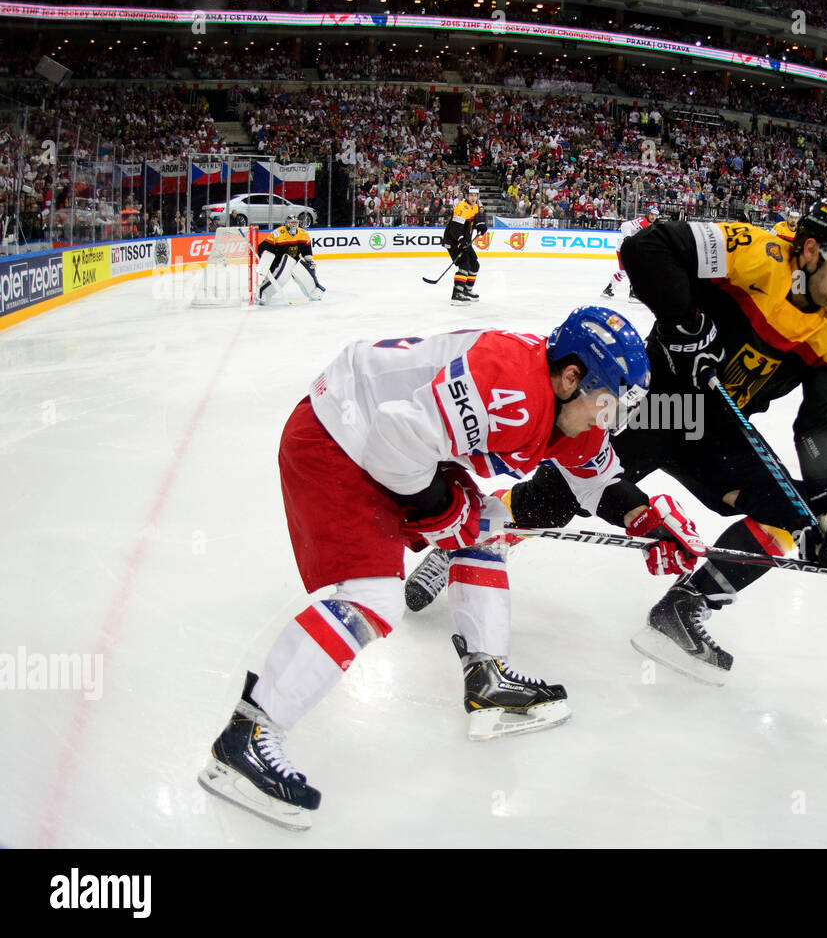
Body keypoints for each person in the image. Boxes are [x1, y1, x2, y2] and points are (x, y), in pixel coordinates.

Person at [199, 307, 706, 829]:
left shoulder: (568, 406)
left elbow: (595, 481)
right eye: (607, 406)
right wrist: (443, 511)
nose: (609, 421)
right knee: (373, 598)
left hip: (387, 440)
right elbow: (393, 439)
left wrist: (645, 519)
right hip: (339, 435)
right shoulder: (510, 384)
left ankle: (486, 679)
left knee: (484, 524)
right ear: (572, 376)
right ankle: (247, 737)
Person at [412, 198, 827, 685]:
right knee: (559, 496)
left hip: (718, 429)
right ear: (809, 250)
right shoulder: (755, 252)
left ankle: (683, 608)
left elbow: (821, 428)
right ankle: (462, 540)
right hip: (652, 402)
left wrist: (826, 496)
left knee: (800, 513)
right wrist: (687, 324)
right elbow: (645, 247)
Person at [256, 215, 324, 304]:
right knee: (280, 278)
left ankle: (313, 291)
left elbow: (306, 250)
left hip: (294, 259)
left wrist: (309, 260)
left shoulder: (303, 233)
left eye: (296, 223)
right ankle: (263, 293)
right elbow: (265, 246)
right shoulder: (278, 232)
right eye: (292, 223)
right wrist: (265, 258)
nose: (294, 225)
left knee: (306, 272)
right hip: (279, 260)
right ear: (287, 223)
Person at [601, 204, 660, 299]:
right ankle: (633, 294)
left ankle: (608, 290)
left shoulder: (650, 225)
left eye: (655, 215)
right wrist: (627, 238)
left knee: (623, 271)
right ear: (647, 214)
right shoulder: (643, 221)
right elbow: (624, 225)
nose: (653, 217)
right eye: (652, 214)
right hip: (626, 250)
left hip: (627, 250)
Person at [444, 185, 488, 306]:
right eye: (471, 195)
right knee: (464, 264)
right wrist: (461, 240)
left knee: (474, 265)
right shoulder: (461, 208)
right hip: (453, 241)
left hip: (464, 240)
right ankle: (457, 294)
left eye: (475, 195)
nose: (474, 198)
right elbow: (454, 230)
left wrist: (480, 226)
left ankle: (467, 290)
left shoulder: (475, 206)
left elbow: (474, 222)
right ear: (466, 196)